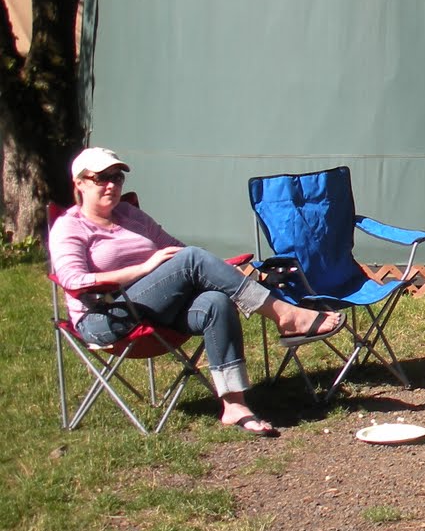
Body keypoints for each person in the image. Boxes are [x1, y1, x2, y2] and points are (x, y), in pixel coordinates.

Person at [48, 147, 345, 438]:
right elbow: (73, 280)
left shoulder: (130, 215)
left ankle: (234, 405)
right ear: (80, 182)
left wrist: (216, 272)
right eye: (101, 178)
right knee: (192, 258)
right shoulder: (70, 227)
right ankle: (285, 315)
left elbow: (173, 250)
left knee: (215, 302)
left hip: (154, 308)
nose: (112, 184)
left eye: (117, 177)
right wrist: (141, 269)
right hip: (106, 316)